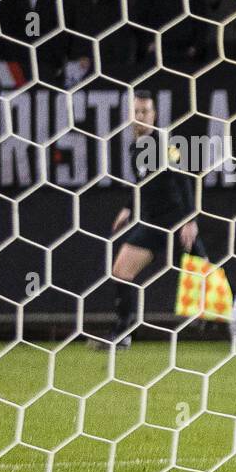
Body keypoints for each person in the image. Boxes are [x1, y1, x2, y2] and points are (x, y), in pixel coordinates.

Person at [91, 91, 202, 350]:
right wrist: (129, 208)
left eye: (145, 112)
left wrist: (189, 219)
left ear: (154, 115)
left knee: (205, 273)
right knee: (121, 271)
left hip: (173, 220)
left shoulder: (163, 143)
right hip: (152, 221)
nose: (141, 116)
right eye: (137, 112)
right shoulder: (136, 146)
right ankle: (122, 334)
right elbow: (143, 184)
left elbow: (183, 179)